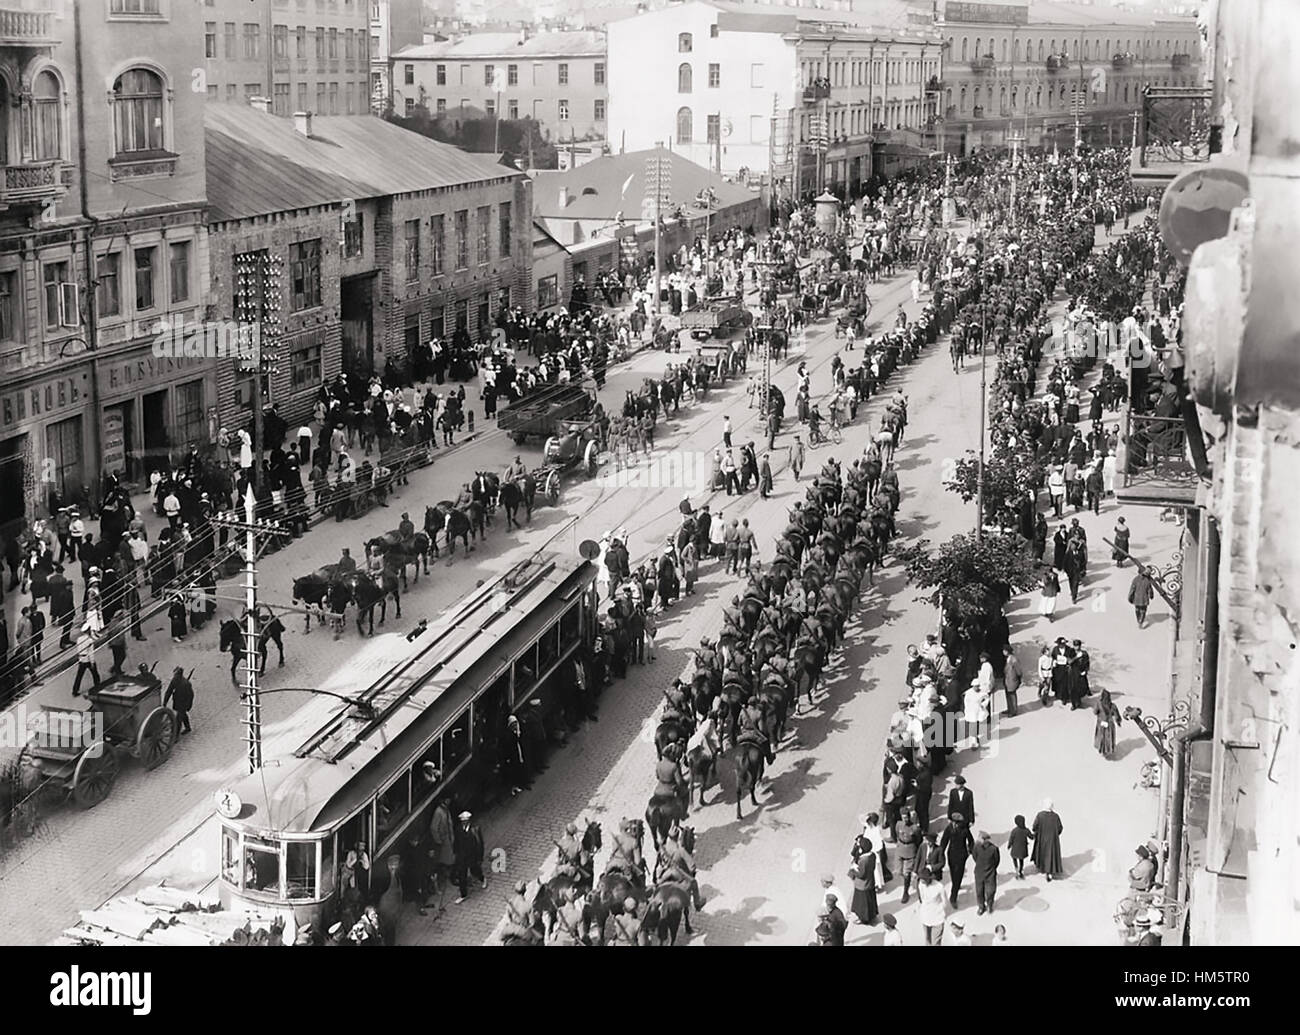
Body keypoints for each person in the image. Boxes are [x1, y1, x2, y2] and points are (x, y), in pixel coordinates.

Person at [940, 811, 974, 907]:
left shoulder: (965, 830)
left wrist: (969, 852)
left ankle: (953, 897)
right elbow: (944, 841)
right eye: (953, 822)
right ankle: (956, 886)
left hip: (961, 855)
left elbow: (971, 841)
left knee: (958, 875)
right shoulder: (949, 829)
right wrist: (940, 853)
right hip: (951, 854)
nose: (954, 824)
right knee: (953, 874)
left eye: (956, 822)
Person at [452, 809, 486, 904]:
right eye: (462, 821)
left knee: (475, 870)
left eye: (466, 821)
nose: (464, 823)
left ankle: (482, 878)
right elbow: (456, 842)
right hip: (462, 857)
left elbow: (480, 844)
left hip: (472, 856)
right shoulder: (458, 829)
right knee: (462, 875)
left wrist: (480, 857)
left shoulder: (475, 829)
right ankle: (463, 894)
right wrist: (455, 852)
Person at [1031, 799, 1064, 881]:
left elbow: (1034, 827)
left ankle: (1042, 867)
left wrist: (1037, 832)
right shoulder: (1056, 816)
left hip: (1042, 838)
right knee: (1051, 854)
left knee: (1042, 853)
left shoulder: (1040, 815)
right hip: (1052, 840)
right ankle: (1050, 872)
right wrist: (1055, 834)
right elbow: (1060, 828)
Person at [847, 840, 879, 925]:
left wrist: (854, 869)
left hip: (862, 885)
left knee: (862, 904)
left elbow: (861, 874)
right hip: (870, 882)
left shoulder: (863, 860)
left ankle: (863, 918)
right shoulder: (872, 855)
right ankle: (871, 915)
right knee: (870, 900)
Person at [971, 830, 1001, 915]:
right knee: (979, 891)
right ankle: (981, 906)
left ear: (985, 840)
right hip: (979, 873)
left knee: (990, 891)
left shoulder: (994, 849)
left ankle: (989, 905)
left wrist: (991, 868)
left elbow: (996, 861)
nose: (978, 841)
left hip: (990, 874)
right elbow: (975, 857)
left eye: (980, 839)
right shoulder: (977, 847)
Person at [917, 867, 946, 945]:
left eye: (923, 879)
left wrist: (939, 910)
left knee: (936, 942)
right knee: (927, 939)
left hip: (937, 917)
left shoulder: (939, 886)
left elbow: (944, 902)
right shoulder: (921, 884)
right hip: (925, 916)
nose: (921, 881)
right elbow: (922, 898)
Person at [164, 666, 194, 734]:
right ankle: (188, 727)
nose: (174, 676)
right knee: (183, 715)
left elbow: (190, 696)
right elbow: (169, 691)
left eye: (176, 675)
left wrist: (188, 706)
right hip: (177, 702)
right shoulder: (174, 680)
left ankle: (175, 735)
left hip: (184, 703)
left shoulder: (186, 684)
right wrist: (165, 702)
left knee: (178, 719)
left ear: (180, 675)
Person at [1093, 689, 1122, 758]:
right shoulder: (1113, 706)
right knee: (1108, 737)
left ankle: (1101, 749)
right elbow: (1117, 715)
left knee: (1101, 736)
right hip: (1109, 723)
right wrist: (1118, 722)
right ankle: (1108, 750)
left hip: (1101, 722)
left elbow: (1095, 712)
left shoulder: (1098, 704)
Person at [1003, 646, 1022, 717]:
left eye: (1004, 651)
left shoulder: (1014, 659)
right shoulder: (1008, 658)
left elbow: (1019, 670)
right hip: (1007, 679)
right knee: (1008, 694)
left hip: (1012, 679)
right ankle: (1009, 708)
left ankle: (1013, 710)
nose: (1003, 652)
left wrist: (1018, 678)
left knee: (1012, 694)